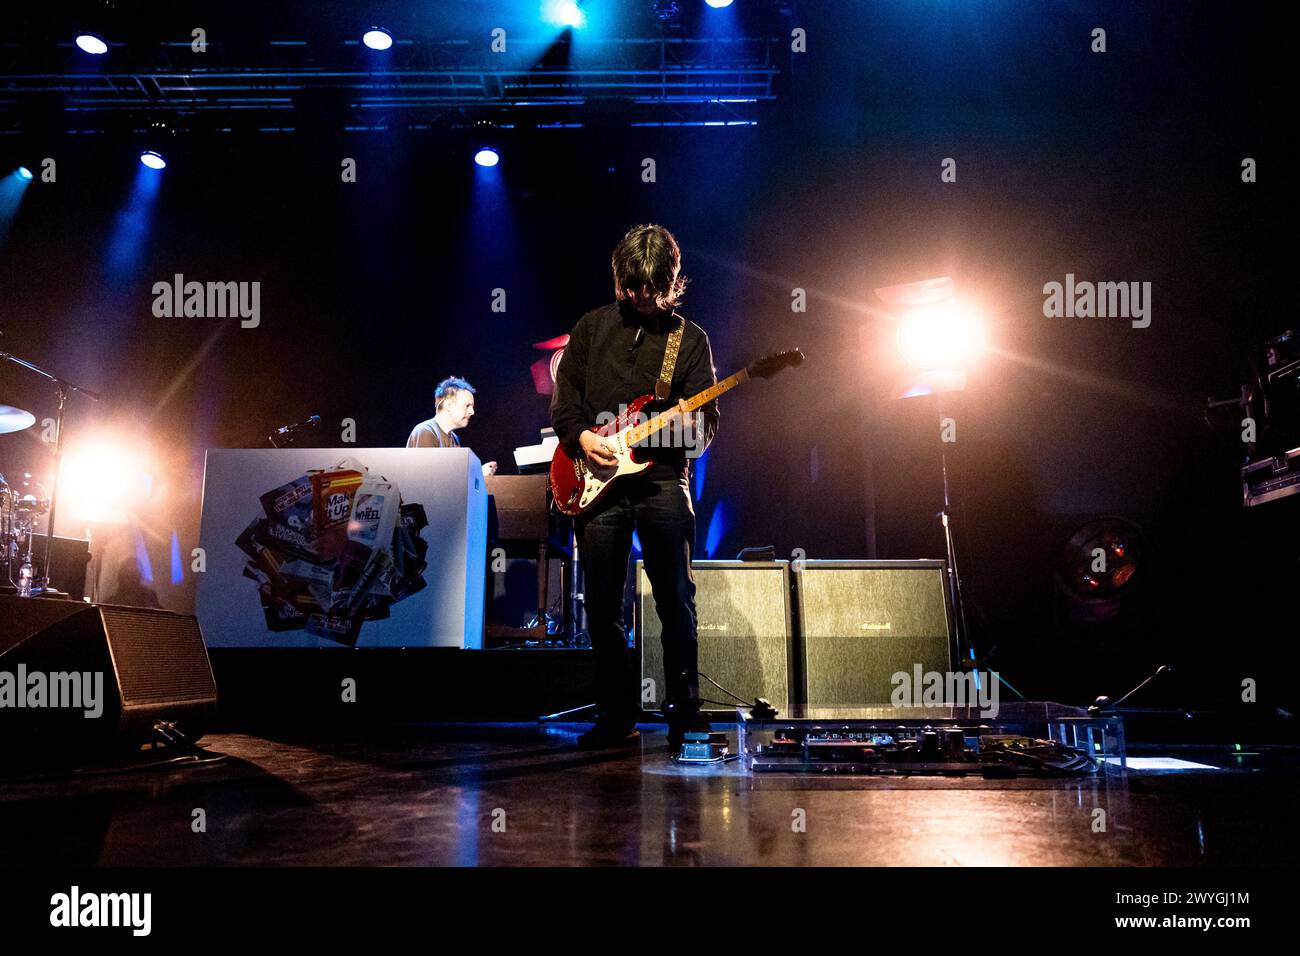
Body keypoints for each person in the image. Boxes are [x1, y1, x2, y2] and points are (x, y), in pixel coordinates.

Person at [550, 224, 719, 749]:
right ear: (620, 279)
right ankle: (615, 713)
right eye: (632, 286)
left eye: (652, 287)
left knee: (675, 599)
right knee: (601, 607)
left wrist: (674, 427)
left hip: (663, 484)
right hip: (596, 482)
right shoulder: (591, 328)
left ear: (670, 280)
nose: (642, 297)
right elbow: (565, 405)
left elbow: (705, 425)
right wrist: (581, 437)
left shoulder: (688, 341)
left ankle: (684, 712)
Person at [407, 376, 498, 477]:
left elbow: (453, 480)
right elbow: (428, 480)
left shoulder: (455, 438)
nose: (472, 412)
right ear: (449, 405)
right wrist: (478, 474)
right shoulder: (426, 432)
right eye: (467, 406)